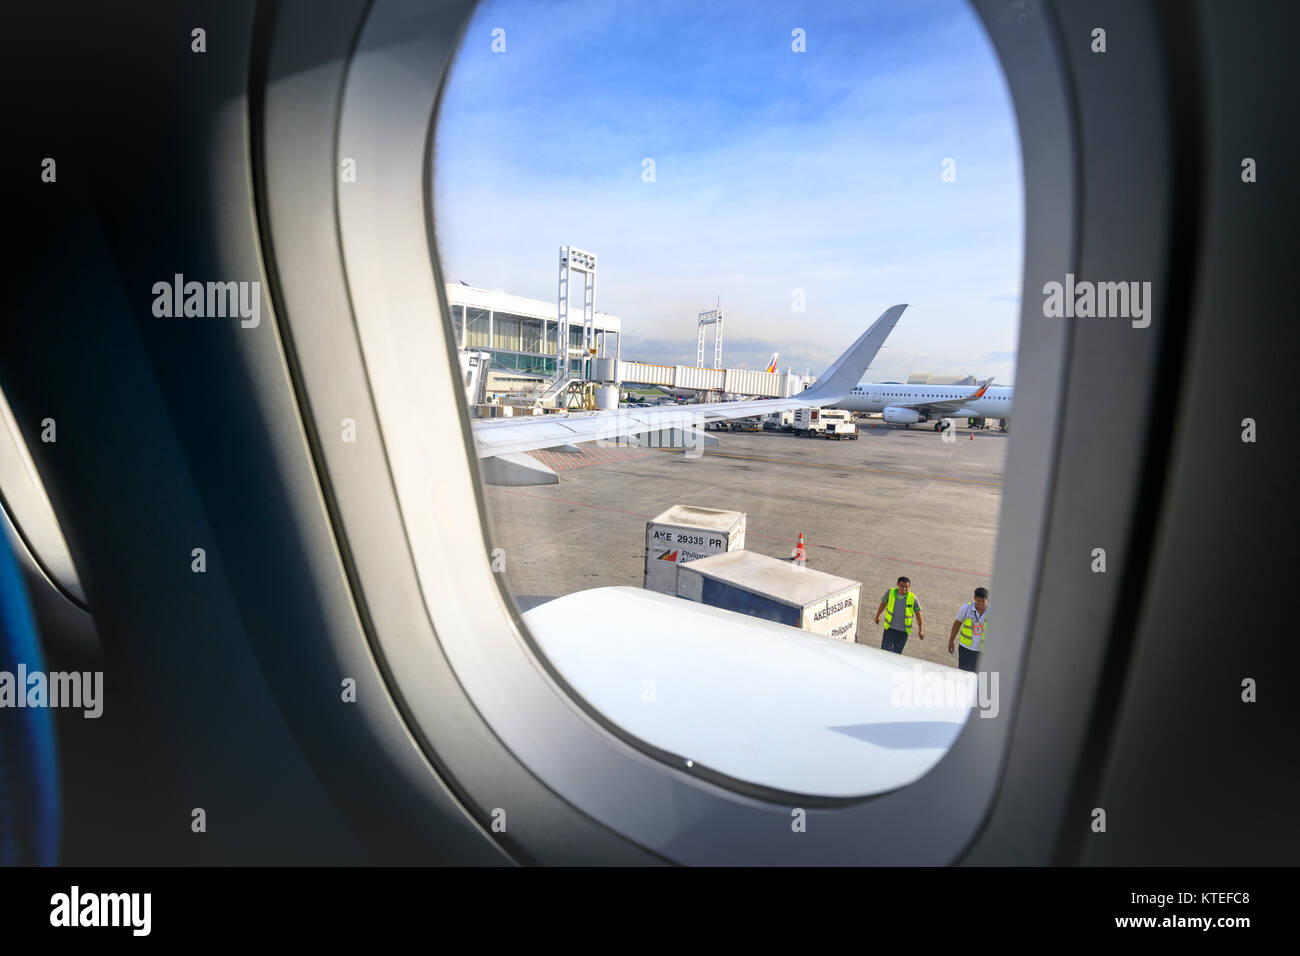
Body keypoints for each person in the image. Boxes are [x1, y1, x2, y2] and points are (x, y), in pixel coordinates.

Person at [873, 576, 923, 654]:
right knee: (884, 652)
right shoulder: (890, 592)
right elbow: (883, 605)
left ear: (909, 587)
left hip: (903, 632)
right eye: (901, 586)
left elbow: (918, 615)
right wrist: (877, 616)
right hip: (889, 629)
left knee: (896, 654)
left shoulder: (913, 598)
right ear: (897, 584)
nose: (904, 589)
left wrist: (920, 630)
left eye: (906, 587)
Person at [948, 587, 989, 672]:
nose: (980, 604)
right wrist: (951, 641)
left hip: (983, 651)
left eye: (983, 601)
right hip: (965, 649)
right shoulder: (966, 608)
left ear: (987, 600)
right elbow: (956, 625)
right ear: (974, 598)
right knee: (964, 674)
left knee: (984, 675)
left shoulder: (993, 611)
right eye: (978, 601)